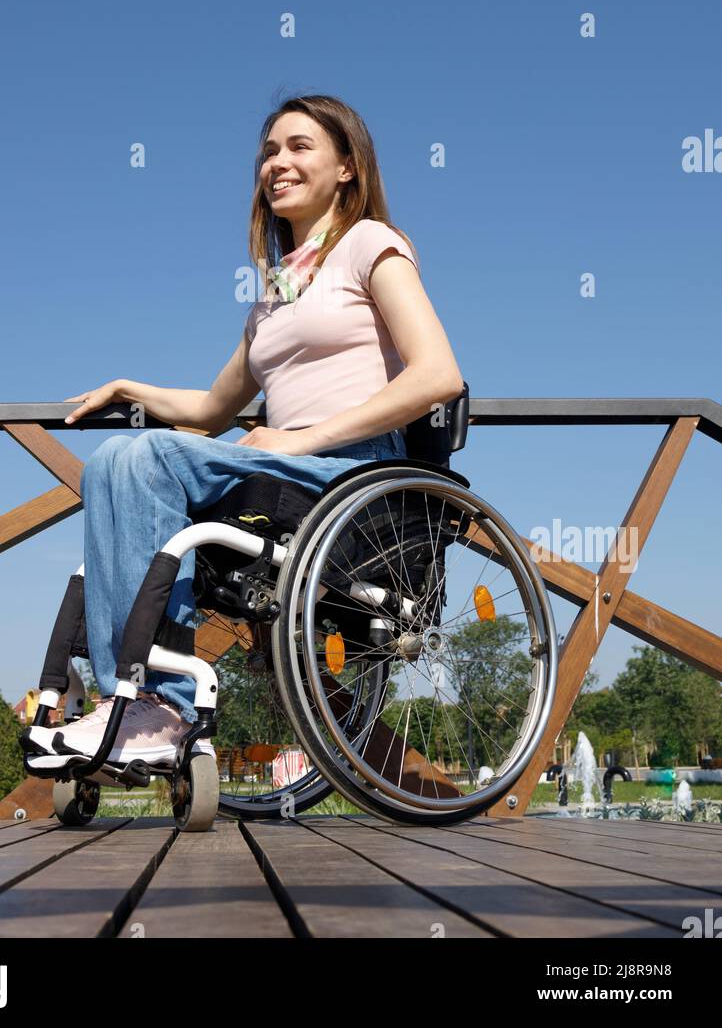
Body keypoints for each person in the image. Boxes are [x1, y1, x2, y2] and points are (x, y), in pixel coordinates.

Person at [25, 94, 463, 766]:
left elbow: (437, 376)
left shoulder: (372, 245)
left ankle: (158, 704)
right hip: (280, 474)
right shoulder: (276, 293)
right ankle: (126, 695)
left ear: (347, 166)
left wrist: (299, 439)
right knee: (111, 458)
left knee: (148, 461)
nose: (277, 163)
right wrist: (128, 387)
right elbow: (210, 409)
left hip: (350, 473)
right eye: (268, 151)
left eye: (298, 147)